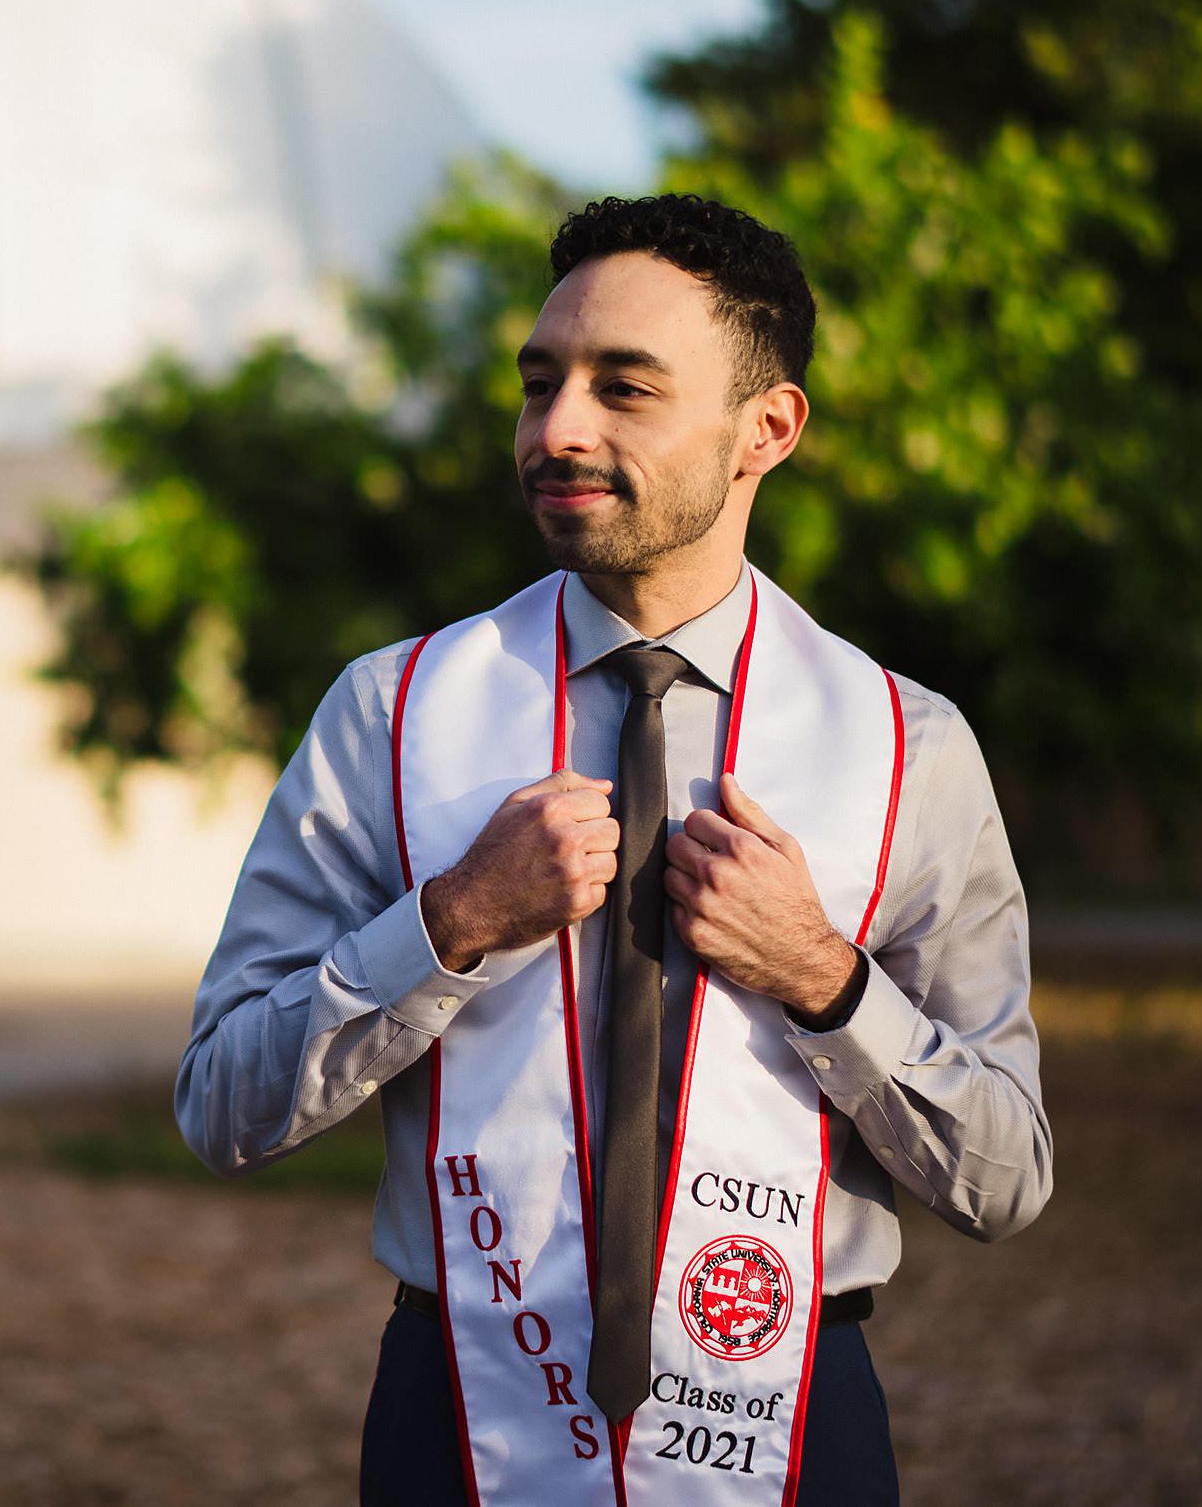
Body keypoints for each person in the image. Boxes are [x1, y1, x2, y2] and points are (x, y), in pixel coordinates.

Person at [175, 194, 1053, 1506]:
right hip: (455, 1412)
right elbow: (222, 1104)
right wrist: (450, 919)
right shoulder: (393, 712)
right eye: (540, 383)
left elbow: (1006, 1172)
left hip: (798, 1424)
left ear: (769, 428)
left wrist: (825, 974)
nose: (558, 427)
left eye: (622, 387)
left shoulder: (904, 745)